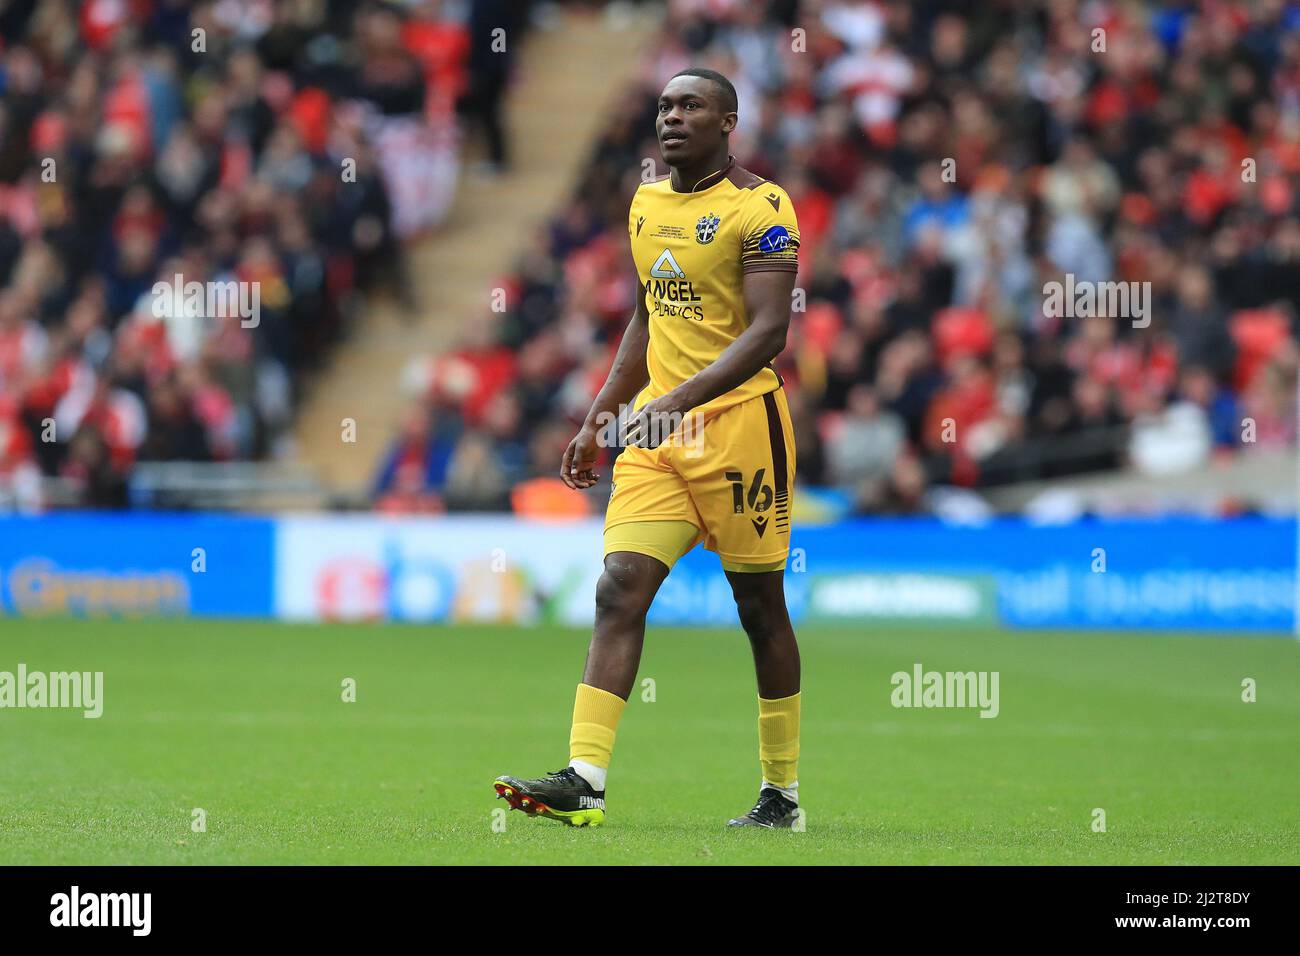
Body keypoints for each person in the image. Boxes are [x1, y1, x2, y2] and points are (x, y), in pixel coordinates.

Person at [494, 68, 804, 829]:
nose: (672, 118)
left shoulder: (761, 209)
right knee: (618, 588)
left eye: (691, 106)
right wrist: (603, 411)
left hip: (738, 432)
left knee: (759, 607)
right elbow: (647, 314)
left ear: (727, 122)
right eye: (665, 106)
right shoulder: (647, 202)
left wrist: (673, 401)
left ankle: (781, 795)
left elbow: (769, 332)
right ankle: (586, 779)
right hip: (655, 440)